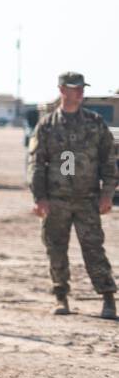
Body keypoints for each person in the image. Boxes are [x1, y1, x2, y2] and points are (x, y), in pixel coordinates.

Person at [29, 72, 117, 319]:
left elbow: (109, 162)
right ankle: (61, 297)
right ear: (62, 90)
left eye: (81, 88)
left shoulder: (95, 123)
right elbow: (36, 163)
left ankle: (108, 298)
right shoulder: (47, 126)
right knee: (56, 249)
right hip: (56, 200)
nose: (80, 92)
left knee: (94, 249)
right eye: (74, 88)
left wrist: (107, 194)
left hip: (87, 199)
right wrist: (39, 198)